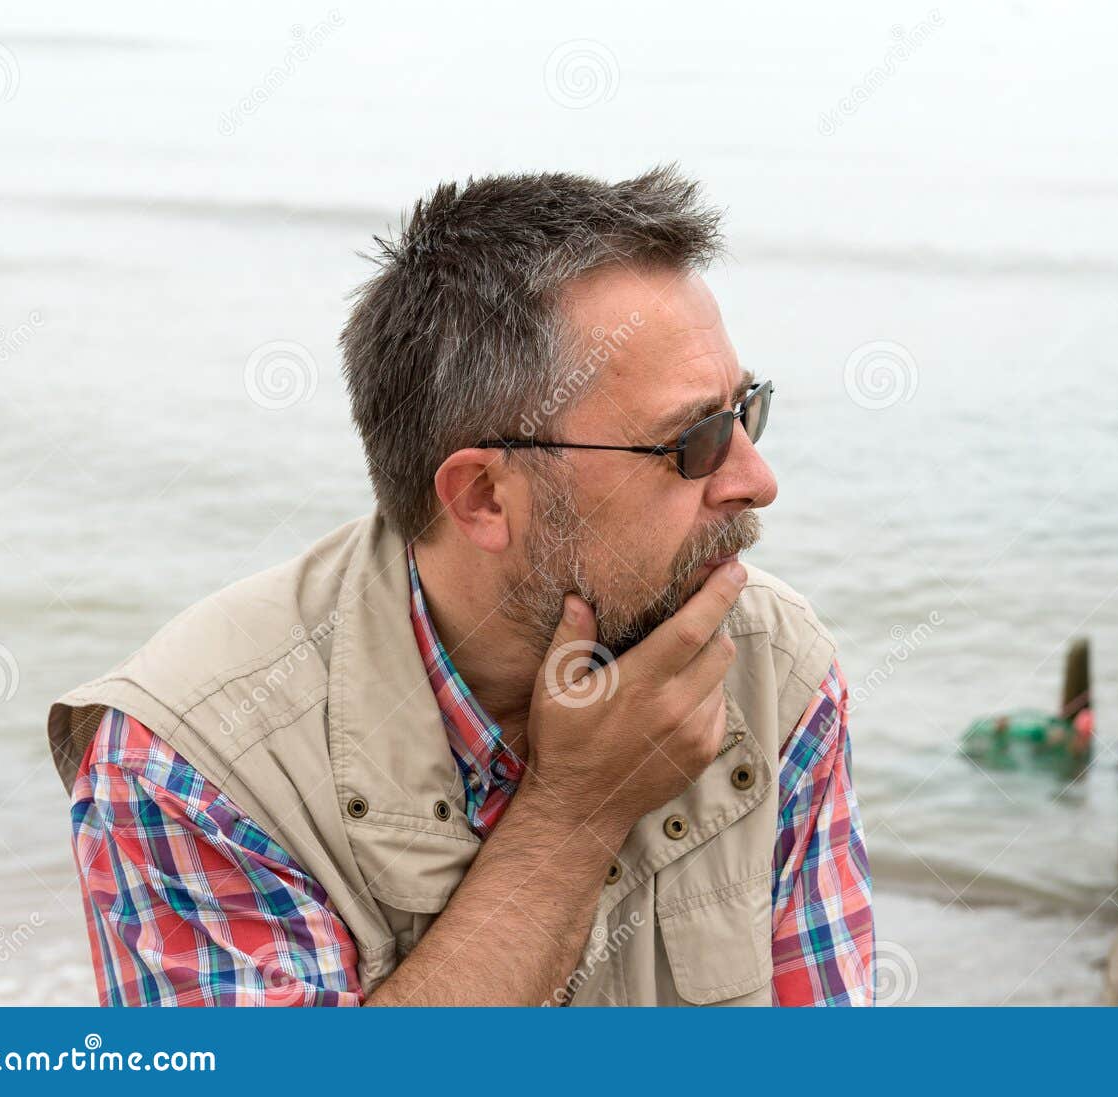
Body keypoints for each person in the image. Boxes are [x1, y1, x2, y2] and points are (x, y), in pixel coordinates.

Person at [46, 166, 874, 1006]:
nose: (756, 480)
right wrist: (574, 814)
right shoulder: (190, 766)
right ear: (482, 496)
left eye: (746, 411)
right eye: (693, 442)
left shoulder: (776, 668)